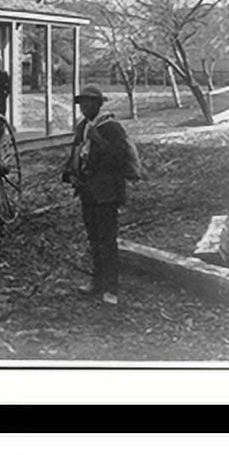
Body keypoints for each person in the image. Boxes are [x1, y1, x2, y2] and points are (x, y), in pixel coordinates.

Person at [62, 84, 130, 306]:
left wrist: (99, 140)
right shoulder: (82, 126)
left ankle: (111, 288)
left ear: (98, 104)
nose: (83, 106)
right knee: (93, 238)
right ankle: (97, 281)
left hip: (107, 192)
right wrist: (69, 173)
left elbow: (121, 158)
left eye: (88, 102)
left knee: (107, 240)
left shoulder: (111, 127)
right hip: (88, 191)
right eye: (81, 102)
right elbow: (75, 154)